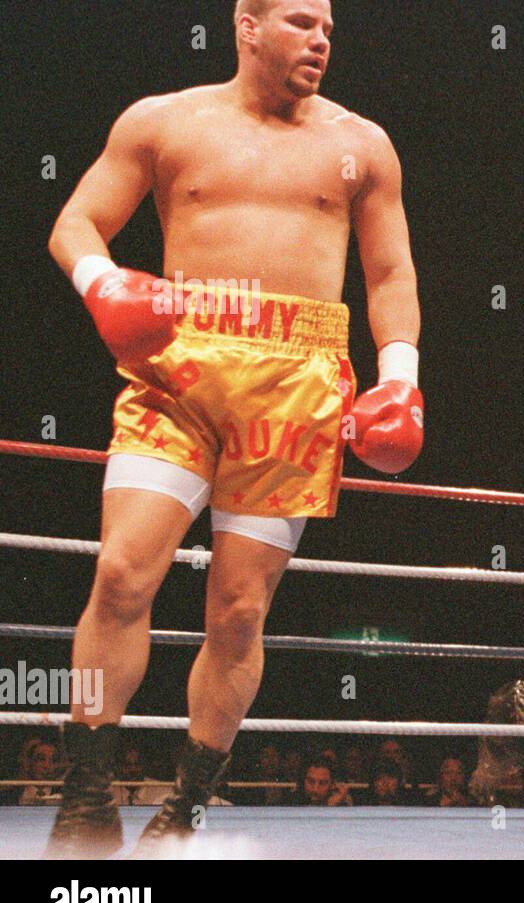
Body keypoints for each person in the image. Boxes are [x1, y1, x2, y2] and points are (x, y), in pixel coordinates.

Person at [44, 0, 423, 858]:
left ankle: (185, 808)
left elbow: (389, 271)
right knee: (121, 573)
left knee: (240, 611)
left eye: (328, 29)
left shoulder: (362, 145)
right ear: (246, 26)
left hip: (296, 380)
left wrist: (401, 378)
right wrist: (105, 284)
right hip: (179, 362)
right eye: (301, 23)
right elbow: (75, 223)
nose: (321, 40)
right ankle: (85, 797)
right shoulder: (163, 121)